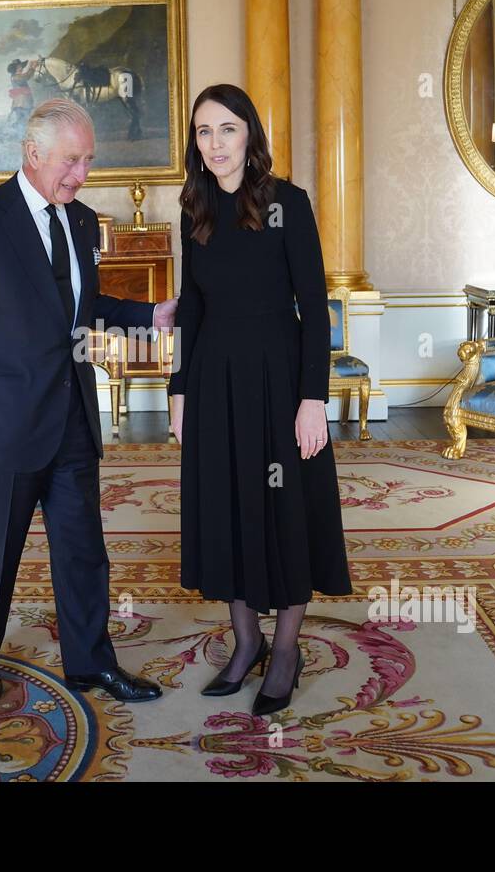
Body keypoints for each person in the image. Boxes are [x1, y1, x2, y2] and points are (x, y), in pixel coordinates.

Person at [0, 98, 178, 704]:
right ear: (33, 153)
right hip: (2, 422)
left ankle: (91, 663)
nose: (81, 174)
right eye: (72, 160)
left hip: (72, 415)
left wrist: (151, 314)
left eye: (89, 161)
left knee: (82, 549)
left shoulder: (83, 221)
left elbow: (84, 308)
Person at [168, 83, 353, 716]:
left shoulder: (288, 204)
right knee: (225, 507)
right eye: (202, 132)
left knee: (287, 510)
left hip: (279, 378)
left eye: (226, 129)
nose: (214, 143)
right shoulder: (193, 207)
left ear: (250, 135)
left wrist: (312, 399)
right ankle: (245, 641)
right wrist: (179, 387)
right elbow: (190, 305)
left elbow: (316, 310)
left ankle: (285, 651)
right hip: (215, 377)